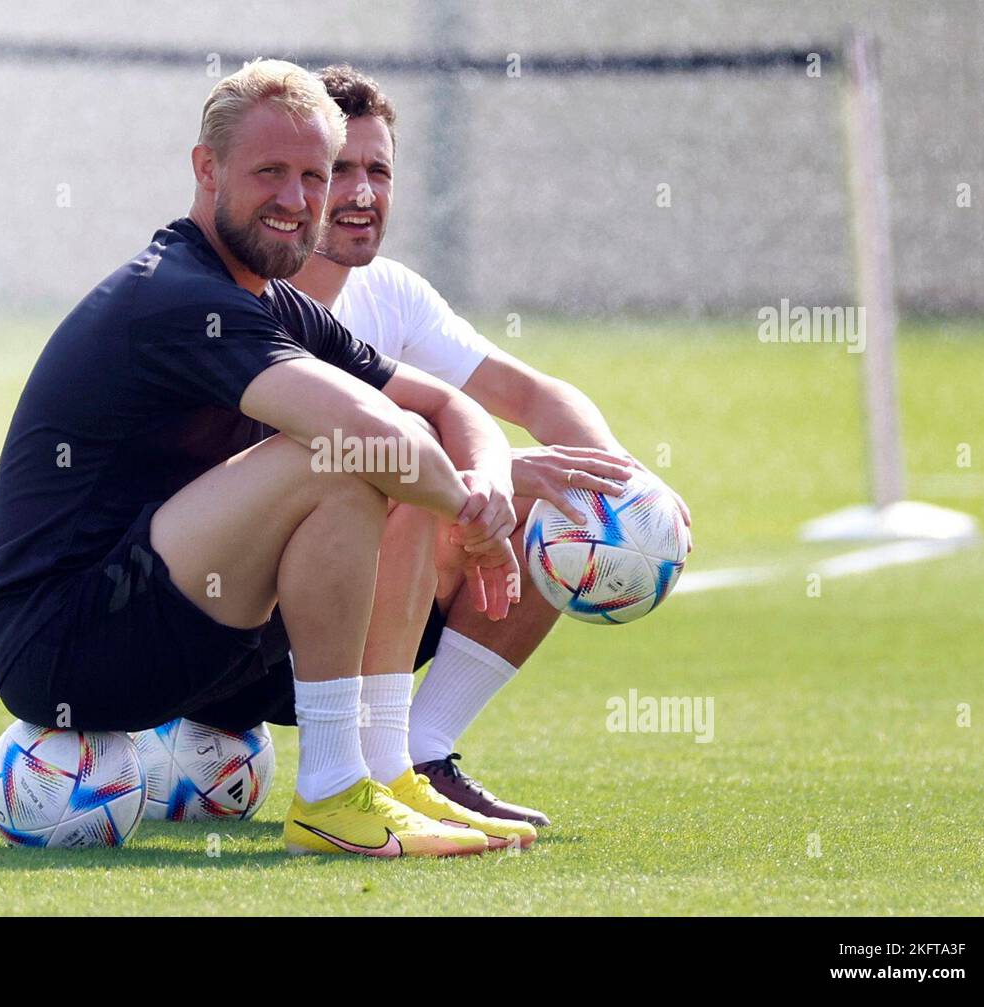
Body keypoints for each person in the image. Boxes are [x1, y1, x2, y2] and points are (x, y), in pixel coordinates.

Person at [0, 60, 535, 857]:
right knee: (347, 460)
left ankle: (384, 769)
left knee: (394, 467)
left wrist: (481, 484)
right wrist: (474, 523)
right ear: (206, 169)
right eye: (269, 171)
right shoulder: (175, 296)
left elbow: (447, 406)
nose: (298, 198)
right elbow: (368, 433)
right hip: (67, 646)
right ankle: (333, 794)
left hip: (190, 635)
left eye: (316, 175)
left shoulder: (276, 302)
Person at [286, 65, 693, 827]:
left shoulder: (393, 294)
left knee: (559, 507)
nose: (363, 193)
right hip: (262, 623)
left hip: (374, 619)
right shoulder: (246, 304)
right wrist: (488, 474)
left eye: (379, 170)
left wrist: (621, 481)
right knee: (411, 467)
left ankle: (417, 756)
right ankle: (233, 736)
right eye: (339, 170)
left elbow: (535, 395)